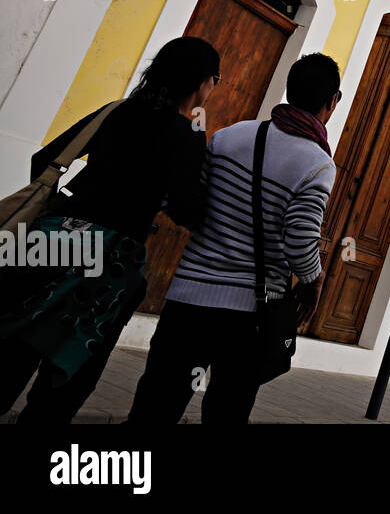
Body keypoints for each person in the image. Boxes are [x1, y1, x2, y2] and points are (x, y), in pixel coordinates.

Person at [0, 36, 217, 423]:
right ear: (203, 83)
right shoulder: (188, 134)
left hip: (51, 243)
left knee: (12, 350)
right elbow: (187, 209)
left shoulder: (115, 111)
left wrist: (67, 208)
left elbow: (45, 159)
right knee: (67, 378)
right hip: (108, 265)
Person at [127, 52, 341, 424]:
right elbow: (300, 238)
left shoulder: (231, 135)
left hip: (189, 299)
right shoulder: (317, 163)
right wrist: (313, 279)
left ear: (289, 91)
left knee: (155, 405)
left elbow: (192, 204)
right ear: (331, 103)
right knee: (227, 410)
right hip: (249, 315)